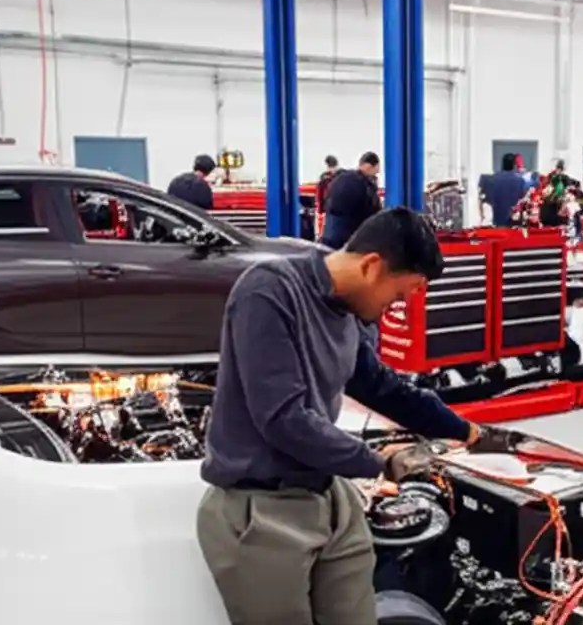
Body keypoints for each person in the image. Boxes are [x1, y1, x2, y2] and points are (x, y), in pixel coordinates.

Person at [196, 207, 511, 625]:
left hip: (327, 492)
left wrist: (467, 432)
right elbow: (283, 418)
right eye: (399, 294)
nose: (395, 308)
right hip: (261, 509)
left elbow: (382, 387)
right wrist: (379, 462)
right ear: (371, 266)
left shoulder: (349, 315)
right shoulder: (269, 292)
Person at [321, 151, 382, 249]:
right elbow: (372, 211)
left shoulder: (340, 178)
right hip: (349, 239)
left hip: (329, 235)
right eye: (376, 170)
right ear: (369, 166)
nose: (376, 174)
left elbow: (326, 200)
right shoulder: (364, 184)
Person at [479, 153, 529, 227]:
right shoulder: (520, 181)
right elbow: (524, 199)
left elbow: (483, 199)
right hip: (513, 223)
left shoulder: (491, 180)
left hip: (496, 223)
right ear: (514, 165)